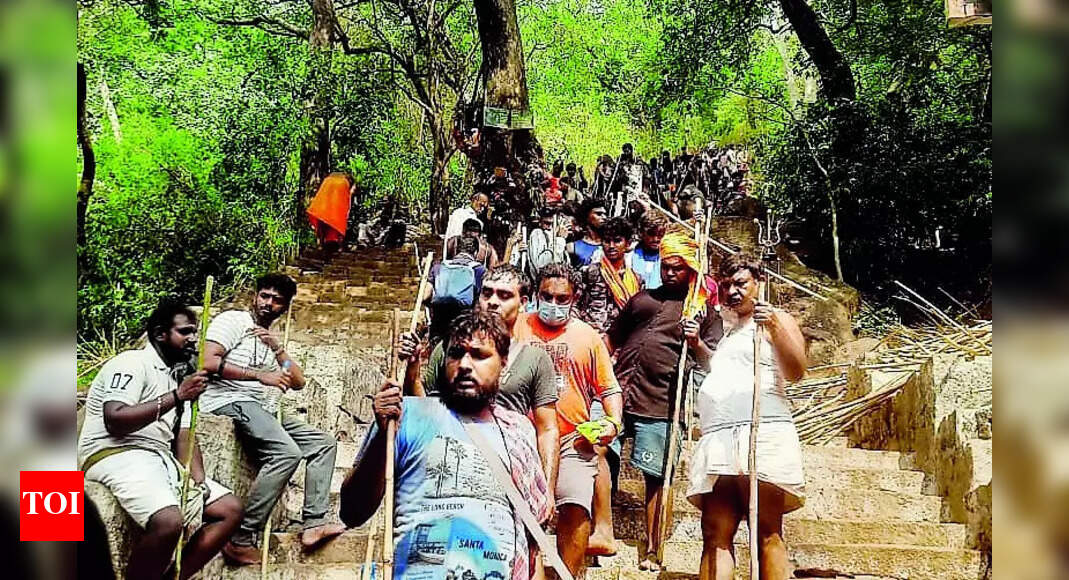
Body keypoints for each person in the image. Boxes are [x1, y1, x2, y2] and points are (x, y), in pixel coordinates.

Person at [340, 310, 553, 580]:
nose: (464, 364)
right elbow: (352, 513)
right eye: (456, 353)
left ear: (504, 364)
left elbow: (531, 535)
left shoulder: (519, 431)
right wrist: (382, 436)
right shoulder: (405, 415)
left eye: (479, 355)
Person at [78, 299, 243, 579]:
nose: (193, 339)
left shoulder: (179, 376)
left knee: (230, 509)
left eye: (195, 332)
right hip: (115, 452)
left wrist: (198, 483)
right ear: (159, 334)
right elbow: (115, 419)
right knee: (168, 521)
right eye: (185, 332)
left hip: (157, 459)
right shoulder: (132, 362)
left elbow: (184, 436)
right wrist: (177, 396)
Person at [200, 273, 344, 564]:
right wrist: (259, 376)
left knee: (323, 443)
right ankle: (241, 537)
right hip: (229, 399)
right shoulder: (233, 322)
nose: (268, 304)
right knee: (287, 453)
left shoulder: (271, 339)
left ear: (286, 306)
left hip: (263, 408)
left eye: (277, 300)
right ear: (255, 295)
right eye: (264, 296)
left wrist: (278, 349)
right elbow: (208, 361)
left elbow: (298, 381)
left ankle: (313, 524)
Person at [607, 229, 723, 570]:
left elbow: (711, 362)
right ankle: (601, 531)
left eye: (678, 268)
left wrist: (697, 340)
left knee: (657, 475)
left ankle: (654, 549)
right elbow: (612, 339)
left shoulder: (703, 312)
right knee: (600, 459)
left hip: (662, 403)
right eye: (665, 266)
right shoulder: (641, 300)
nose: (670, 273)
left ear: (691, 269)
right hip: (619, 394)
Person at [686, 254, 807, 580]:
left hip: (762, 431)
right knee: (714, 532)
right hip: (720, 437)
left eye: (741, 284)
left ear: (759, 284)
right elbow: (727, 372)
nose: (732, 292)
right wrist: (697, 345)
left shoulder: (775, 319)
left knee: (766, 529)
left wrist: (775, 325)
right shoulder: (730, 331)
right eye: (726, 286)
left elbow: (797, 370)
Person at [400, 265, 560, 500]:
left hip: (507, 467)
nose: (493, 302)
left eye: (504, 295)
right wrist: (411, 373)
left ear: (523, 302)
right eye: (487, 293)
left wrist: (545, 490)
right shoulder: (449, 350)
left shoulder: (535, 359)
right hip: (449, 458)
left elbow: (547, 429)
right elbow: (424, 410)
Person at [512, 264, 623, 575]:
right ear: (535, 295)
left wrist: (612, 422)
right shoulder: (516, 328)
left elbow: (609, 388)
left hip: (572, 439)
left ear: (575, 299)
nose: (554, 304)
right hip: (521, 437)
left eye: (563, 299)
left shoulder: (588, 337)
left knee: (575, 504)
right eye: (547, 296)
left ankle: (569, 574)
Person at [575, 217, 642, 336]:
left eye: (617, 241)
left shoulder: (636, 280)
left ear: (627, 244)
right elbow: (574, 304)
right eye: (607, 241)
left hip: (622, 339)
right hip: (592, 336)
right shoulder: (589, 273)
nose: (611, 246)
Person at [306, 173, 355, 255]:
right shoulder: (345, 182)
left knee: (322, 219)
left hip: (324, 202)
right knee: (339, 219)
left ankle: (321, 244)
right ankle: (339, 246)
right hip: (337, 199)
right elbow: (347, 200)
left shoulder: (328, 179)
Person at [627, 212, 668, 290]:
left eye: (660, 235)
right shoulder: (628, 256)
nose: (656, 239)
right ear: (641, 233)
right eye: (651, 234)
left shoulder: (670, 258)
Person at [567, 199, 607, 268]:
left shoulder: (611, 244)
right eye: (599, 214)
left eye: (605, 214)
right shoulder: (572, 247)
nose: (604, 217)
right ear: (586, 216)